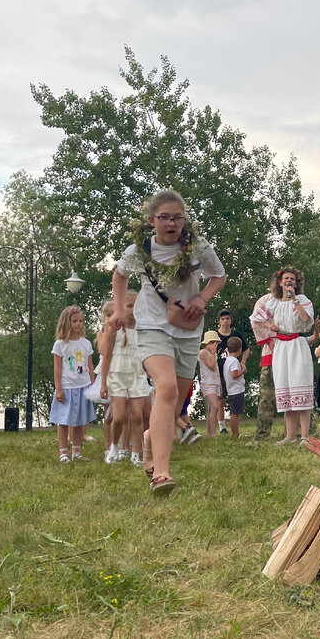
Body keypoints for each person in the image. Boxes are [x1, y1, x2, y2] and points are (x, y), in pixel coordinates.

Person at [112, 189, 227, 497]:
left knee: (174, 406)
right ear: (152, 220)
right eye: (165, 217)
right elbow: (119, 276)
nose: (172, 223)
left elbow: (219, 275)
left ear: (184, 220)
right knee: (165, 388)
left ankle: (150, 437)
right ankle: (161, 474)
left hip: (187, 330)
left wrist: (202, 298)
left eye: (178, 217)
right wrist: (120, 309)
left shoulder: (197, 247)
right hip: (151, 326)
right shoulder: (139, 250)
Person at [251, 267, 315, 444]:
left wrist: (294, 299)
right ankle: (290, 436)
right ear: (280, 282)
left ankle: (305, 436)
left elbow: (305, 320)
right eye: (286, 278)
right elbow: (255, 319)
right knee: (286, 388)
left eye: (292, 279)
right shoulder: (273, 302)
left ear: (296, 283)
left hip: (297, 345)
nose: (289, 281)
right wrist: (268, 326)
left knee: (300, 387)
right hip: (281, 347)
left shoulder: (302, 300)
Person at [99, 294, 150, 465]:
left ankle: (136, 453)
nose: (132, 310)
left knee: (137, 416)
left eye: (136, 305)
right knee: (119, 416)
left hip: (137, 374)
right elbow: (106, 357)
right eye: (129, 305)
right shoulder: (114, 327)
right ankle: (114, 446)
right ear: (121, 307)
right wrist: (103, 382)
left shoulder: (143, 328)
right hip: (117, 373)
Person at [49, 305, 96, 462]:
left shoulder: (86, 343)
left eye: (81, 321)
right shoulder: (60, 344)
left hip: (83, 385)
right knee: (64, 421)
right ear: (66, 322)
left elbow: (90, 365)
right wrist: (58, 389)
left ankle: (76, 451)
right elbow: (57, 368)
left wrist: (93, 383)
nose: (78, 324)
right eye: (75, 321)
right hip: (67, 386)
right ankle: (63, 452)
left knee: (79, 420)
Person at [250, 297, 278, 440]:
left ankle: (300, 431)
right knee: (267, 397)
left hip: (291, 351)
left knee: (294, 392)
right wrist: (268, 340)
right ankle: (263, 433)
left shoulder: (295, 300)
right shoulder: (265, 300)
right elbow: (255, 321)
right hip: (270, 353)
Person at [214, 309, 246, 433]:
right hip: (219, 372)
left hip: (232, 368)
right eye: (223, 319)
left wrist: (242, 363)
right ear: (219, 321)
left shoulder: (236, 334)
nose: (225, 321)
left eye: (227, 318)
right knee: (220, 400)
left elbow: (246, 349)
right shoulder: (215, 336)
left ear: (230, 320)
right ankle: (222, 427)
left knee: (233, 400)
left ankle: (231, 428)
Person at [197, 330, 223, 437]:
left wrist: (220, 384)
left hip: (215, 383)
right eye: (212, 343)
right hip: (207, 383)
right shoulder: (203, 353)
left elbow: (216, 370)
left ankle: (210, 432)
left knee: (212, 408)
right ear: (206, 343)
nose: (215, 345)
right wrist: (213, 352)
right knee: (214, 406)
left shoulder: (213, 354)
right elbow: (211, 366)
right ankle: (213, 433)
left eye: (216, 343)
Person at [222, 336, 246, 437]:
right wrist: (243, 371)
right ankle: (235, 433)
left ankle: (235, 432)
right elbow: (234, 375)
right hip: (236, 389)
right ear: (240, 349)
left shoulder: (227, 360)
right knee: (235, 413)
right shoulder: (234, 361)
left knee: (234, 412)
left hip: (231, 389)